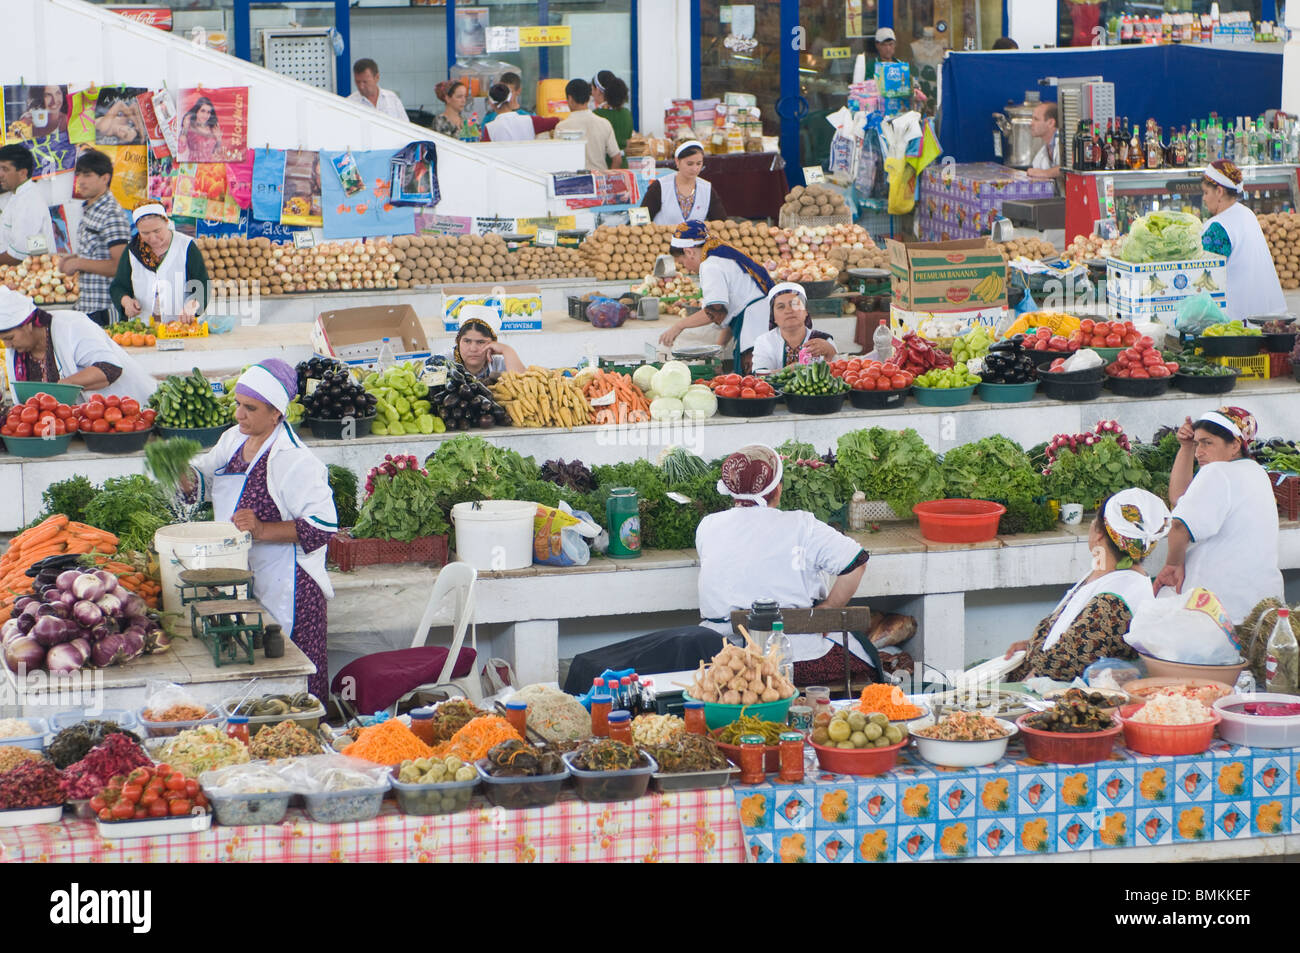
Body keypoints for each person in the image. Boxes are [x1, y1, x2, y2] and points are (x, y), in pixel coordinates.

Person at [182, 360, 337, 703]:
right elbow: (205, 479)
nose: (239, 414)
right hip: (244, 574)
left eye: (249, 408)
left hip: (291, 585)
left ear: (276, 414)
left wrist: (263, 529)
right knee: (252, 669)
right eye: (238, 404)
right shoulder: (234, 439)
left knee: (293, 679)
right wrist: (183, 474)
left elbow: (323, 526)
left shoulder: (294, 460)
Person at [696, 445, 871, 685]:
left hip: (725, 663)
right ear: (776, 488)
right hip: (796, 659)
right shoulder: (802, 525)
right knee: (868, 664)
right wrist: (828, 609)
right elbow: (857, 562)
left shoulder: (708, 526)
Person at [1004, 489, 1168, 681]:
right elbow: (1071, 637)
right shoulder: (1106, 573)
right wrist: (1033, 645)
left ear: (1098, 534)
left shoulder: (1113, 602)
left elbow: (1054, 669)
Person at [1154, 407, 1284, 625]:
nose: (1198, 452)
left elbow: (1179, 526)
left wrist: (1172, 565)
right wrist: (1186, 448)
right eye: (1197, 444)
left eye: (1207, 443)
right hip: (1260, 608)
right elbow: (1181, 499)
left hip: (1219, 611)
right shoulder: (1256, 472)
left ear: (1234, 445)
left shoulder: (1217, 472)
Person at [0, 288, 157, 402]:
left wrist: (60, 388)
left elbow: (110, 369)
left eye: (10, 338)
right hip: (74, 428)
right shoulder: (16, 353)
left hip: (128, 411)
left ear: (28, 324)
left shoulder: (71, 325)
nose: (7, 345)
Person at [658, 220, 774, 372]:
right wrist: (718, 350)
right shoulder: (721, 255)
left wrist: (679, 326)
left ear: (689, 252)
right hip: (759, 320)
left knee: (757, 383)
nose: (685, 268)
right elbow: (732, 312)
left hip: (755, 326)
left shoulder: (710, 265)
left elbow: (714, 312)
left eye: (682, 262)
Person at [1200, 159, 1286, 321]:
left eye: (1206, 192)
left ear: (1219, 191)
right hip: (1268, 318)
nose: (1204, 199)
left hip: (1237, 325)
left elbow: (1204, 277)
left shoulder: (1218, 227)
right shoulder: (1247, 214)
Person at [57, 150, 130, 327]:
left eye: (88, 175)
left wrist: (79, 263)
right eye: (79, 175)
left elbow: (120, 266)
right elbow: (97, 254)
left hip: (105, 310)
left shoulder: (111, 214)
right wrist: (73, 259)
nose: (81, 181)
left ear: (105, 178)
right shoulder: (90, 209)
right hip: (87, 307)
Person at [110, 204, 210, 323]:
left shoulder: (186, 246)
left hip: (179, 327)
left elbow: (202, 285)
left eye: (157, 231)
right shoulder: (132, 250)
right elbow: (118, 286)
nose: (152, 238)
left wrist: (192, 305)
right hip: (142, 329)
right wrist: (126, 302)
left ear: (167, 222)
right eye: (145, 233)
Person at [751, 283, 837, 373]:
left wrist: (830, 351)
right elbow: (760, 375)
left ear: (806, 311)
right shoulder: (764, 341)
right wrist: (790, 370)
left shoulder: (823, 340)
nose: (788, 310)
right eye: (781, 307)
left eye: (794, 304)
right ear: (773, 317)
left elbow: (839, 372)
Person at [640, 140, 727, 226]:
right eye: (690, 164)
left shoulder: (706, 189)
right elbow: (641, 220)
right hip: (663, 239)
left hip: (696, 239)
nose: (695, 169)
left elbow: (721, 222)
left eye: (699, 164)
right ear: (677, 161)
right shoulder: (660, 186)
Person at [0, 144, 56, 266]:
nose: (0, 174)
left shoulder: (29, 201)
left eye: (5, 169)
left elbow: (18, 256)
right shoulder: (17, 195)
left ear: (22, 173)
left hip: (29, 276)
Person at [554, 78, 623, 171]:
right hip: (599, 181)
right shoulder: (604, 123)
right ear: (589, 97)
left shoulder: (561, 127)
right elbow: (617, 159)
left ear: (569, 98)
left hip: (574, 182)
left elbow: (558, 159)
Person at [450, 306, 524, 380]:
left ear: (493, 344)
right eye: (467, 341)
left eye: (481, 342)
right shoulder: (443, 362)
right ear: (458, 341)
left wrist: (506, 350)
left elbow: (526, 384)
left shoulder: (500, 364)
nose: (473, 349)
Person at [480, 84, 560, 142]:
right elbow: (557, 121)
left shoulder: (490, 128)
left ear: (491, 103)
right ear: (511, 99)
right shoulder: (530, 121)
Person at [347, 58, 408, 122]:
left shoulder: (392, 99)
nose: (361, 87)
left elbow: (406, 126)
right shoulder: (350, 103)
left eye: (365, 82)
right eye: (358, 82)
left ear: (377, 77)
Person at [591, 71, 634, 152]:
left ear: (598, 90)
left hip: (603, 162)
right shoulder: (626, 113)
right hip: (623, 162)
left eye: (592, 89)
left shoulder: (596, 115)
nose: (592, 93)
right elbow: (627, 146)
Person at [179, 96, 225, 162]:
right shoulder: (190, 127)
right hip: (195, 167)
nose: (205, 115)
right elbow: (180, 150)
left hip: (211, 168)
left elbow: (218, 155)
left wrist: (219, 139)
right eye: (203, 111)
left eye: (208, 112)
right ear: (196, 111)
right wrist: (185, 128)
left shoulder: (213, 129)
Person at [1026, 101, 1060, 180]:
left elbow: (1070, 168)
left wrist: (1046, 173)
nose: (1031, 123)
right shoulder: (1043, 151)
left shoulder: (1066, 143)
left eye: (1036, 119)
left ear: (1051, 123)